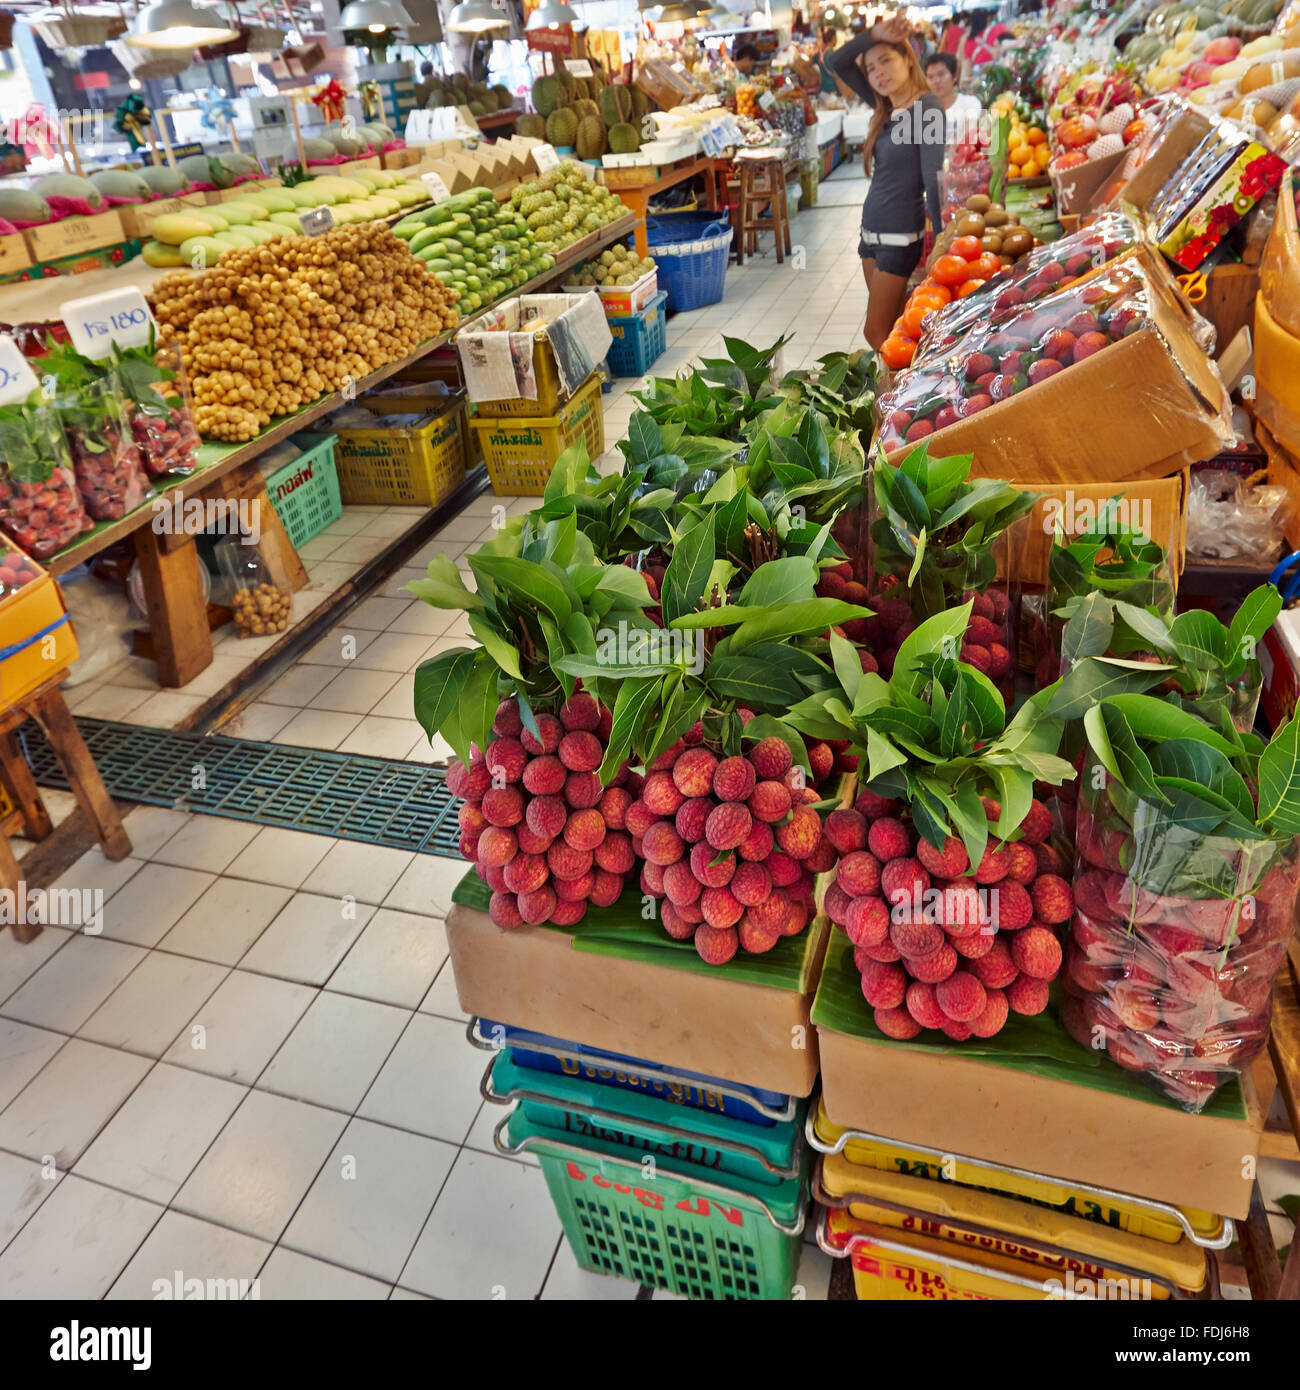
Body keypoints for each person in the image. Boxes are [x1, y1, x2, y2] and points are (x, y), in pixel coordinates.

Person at [828, 19, 944, 347]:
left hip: (899, 236)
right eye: (871, 68)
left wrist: (941, 238)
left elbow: (933, 179)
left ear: (908, 58)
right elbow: (834, 62)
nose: (879, 73)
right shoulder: (886, 105)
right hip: (871, 235)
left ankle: (901, 397)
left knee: (875, 333)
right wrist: (872, 36)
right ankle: (903, 391)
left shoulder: (928, 106)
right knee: (895, 331)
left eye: (887, 60)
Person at [925, 51, 982, 144]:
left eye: (941, 74)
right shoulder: (924, 111)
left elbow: (968, 138)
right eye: (930, 77)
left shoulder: (970, 103)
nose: (936, 81)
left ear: (955, 76)